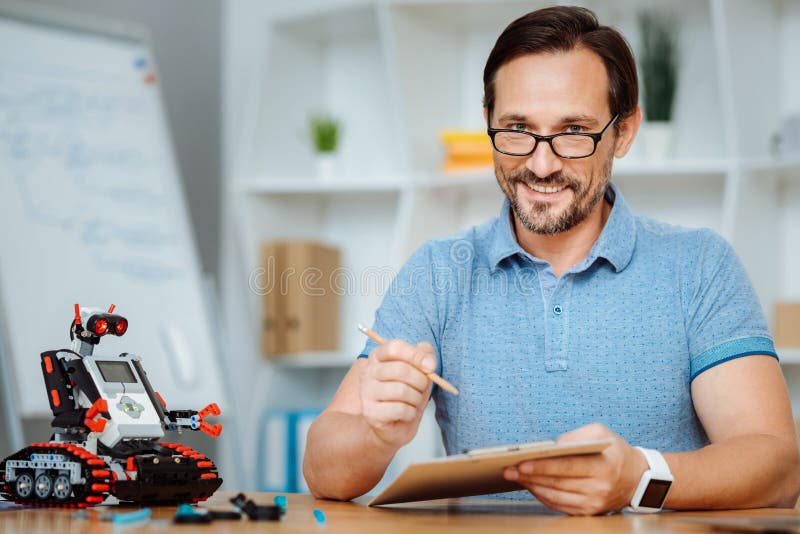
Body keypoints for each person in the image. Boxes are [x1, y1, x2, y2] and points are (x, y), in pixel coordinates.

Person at [303, 6, 800, 515]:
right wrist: (376, 433)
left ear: (623, 133)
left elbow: (778, 467)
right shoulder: (439, 271)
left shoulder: (699, 266)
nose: (542, 165)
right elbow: (323, 472)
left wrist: (639, 478)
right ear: (488, 125)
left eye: (574, 131)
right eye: (517, 128)